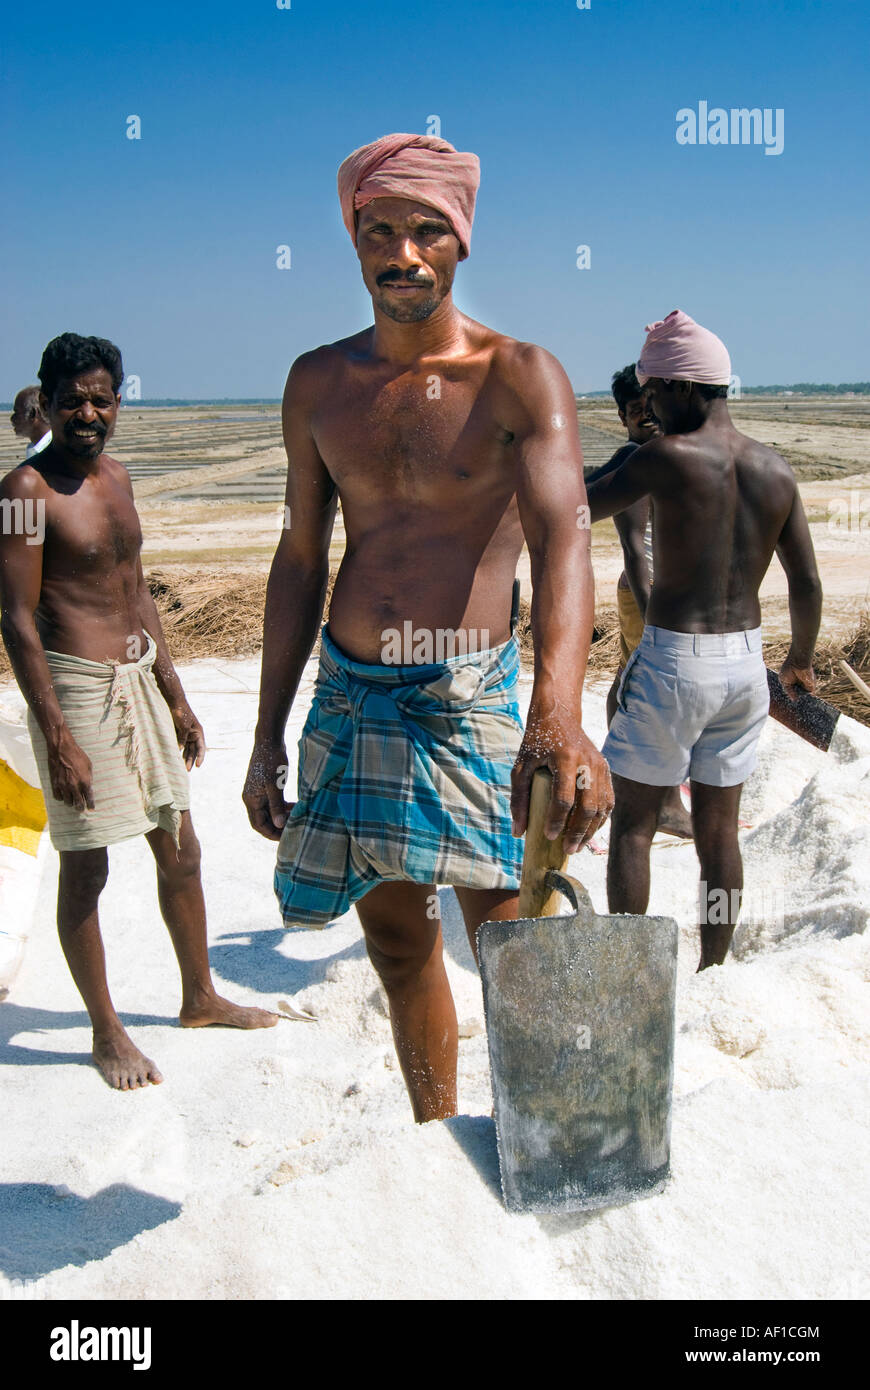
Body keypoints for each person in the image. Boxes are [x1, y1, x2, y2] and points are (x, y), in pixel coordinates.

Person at [243, 133, 613, 1122]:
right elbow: (298, 558)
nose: (401, 253)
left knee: (517, 946)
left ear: (460, 243)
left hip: (471, 698)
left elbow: (565, 546)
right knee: (400, 945)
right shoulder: (317, 383)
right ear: (354, 240)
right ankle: (435, 1142)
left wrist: (561, 716)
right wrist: (265, 735)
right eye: (378, 230)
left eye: (425, 231)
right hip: (353, 690)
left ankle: (554, 1146)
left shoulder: (519, 375)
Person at [0, 333, 277, 1090]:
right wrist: (55, 734)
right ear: (48, 402)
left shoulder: (118, 477)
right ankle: (105, 1029)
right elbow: (18, 620)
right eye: (72, 400)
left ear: (119, 401)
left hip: (139, 679)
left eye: (101, 399)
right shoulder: (24, 494)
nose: (88, 413)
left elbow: (137, 591)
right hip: (77, 689)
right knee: (86, 865)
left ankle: (199, 996)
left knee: (180, 849)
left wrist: (176, 694)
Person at [586, 309, 822, 970]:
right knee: (718, 832)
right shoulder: (775, 469)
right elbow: (805, 580)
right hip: (747, 667)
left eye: (655, 390)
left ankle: (631, 971)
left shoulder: (664, 459)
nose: (651, 406)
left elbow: (581, 506)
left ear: (687, 388)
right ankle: (714, 965)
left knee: (634, 824)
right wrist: (799, 662)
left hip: (673, 661)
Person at [585, 364, 692, 838]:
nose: (648, 418)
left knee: (629, 681)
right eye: (637, 412)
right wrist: (654, 618)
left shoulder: (663, 457)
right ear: (625, 418)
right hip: (646, 594)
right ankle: (659, 800)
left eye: (652, 408)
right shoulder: (634, 460)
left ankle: (626, 780)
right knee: (648, 688)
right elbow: (635, 552)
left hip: (664, 595)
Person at [10, 386, 52, 458]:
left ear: (33, 414)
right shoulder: (33, 447)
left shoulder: (55, 451)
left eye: (17, 413)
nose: (12, 418)